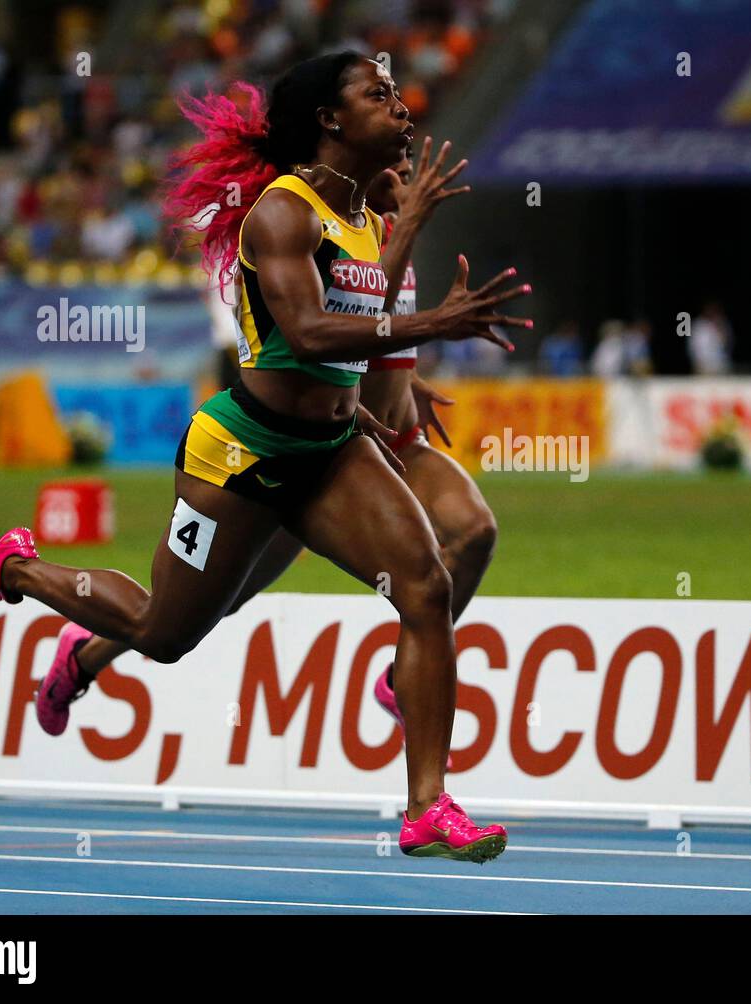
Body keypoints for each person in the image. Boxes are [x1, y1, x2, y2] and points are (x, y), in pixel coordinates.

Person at [0, 53, 531, 863]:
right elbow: (311, 337)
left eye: (398, 93)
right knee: (164, 632)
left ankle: (426, 807)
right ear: (329, 118)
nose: (402, 107)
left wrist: (403, 369)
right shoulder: (283, 215)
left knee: (426, 586)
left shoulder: (362, 216)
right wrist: (430, 326)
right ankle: (17, 570)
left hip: (331, 449)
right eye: (377, 94)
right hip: (240, 456)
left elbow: (365, 321)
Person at [67, 146, 501, 774]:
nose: (404, 181)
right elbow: (345, 328)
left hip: (381, 439)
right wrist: (409, 242)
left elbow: (379, 344)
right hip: (296, 448)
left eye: (406, 175)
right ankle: (86, 651)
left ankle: (403, 695)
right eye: (393, 173)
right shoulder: (336, 239)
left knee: (469, 535)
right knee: (201, 610)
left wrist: (409, 381)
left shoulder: (371, 233)